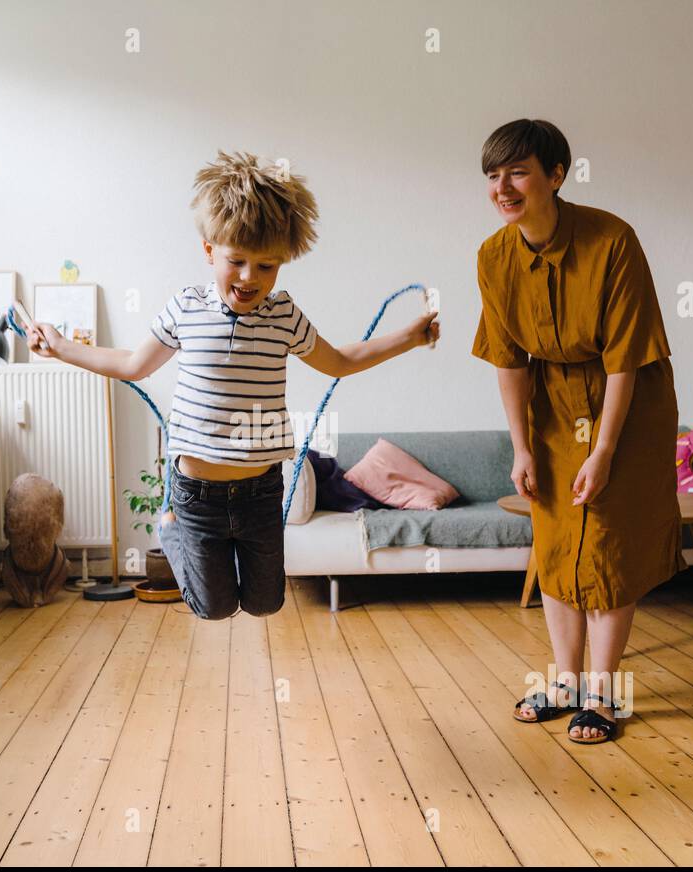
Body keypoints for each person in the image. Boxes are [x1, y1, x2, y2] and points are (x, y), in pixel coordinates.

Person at [30, 150, 439, 620]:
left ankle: (197, 544)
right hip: (196, 493)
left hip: (260, 492)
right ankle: (170, 532)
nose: (250, 278)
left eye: (267, 266)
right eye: (237, 261)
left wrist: (408, 337)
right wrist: (62, 347)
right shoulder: (187, 307)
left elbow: (340, 361)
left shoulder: (283, 315)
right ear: (209, 250)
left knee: (266, 603)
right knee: (214, 608)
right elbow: (133, 365)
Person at [471, 119, 687, 744]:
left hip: (628, 403)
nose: (502, 187)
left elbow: (625, 358)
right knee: (558, 535)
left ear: (556, 175)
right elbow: (508, 359)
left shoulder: (613, 240)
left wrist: (607, 449)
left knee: (610, 541)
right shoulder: (492, 256)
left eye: (517, 172)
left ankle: (604, 691)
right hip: (551, 404)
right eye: (492, 175)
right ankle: (565, 683)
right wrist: (520, 445)